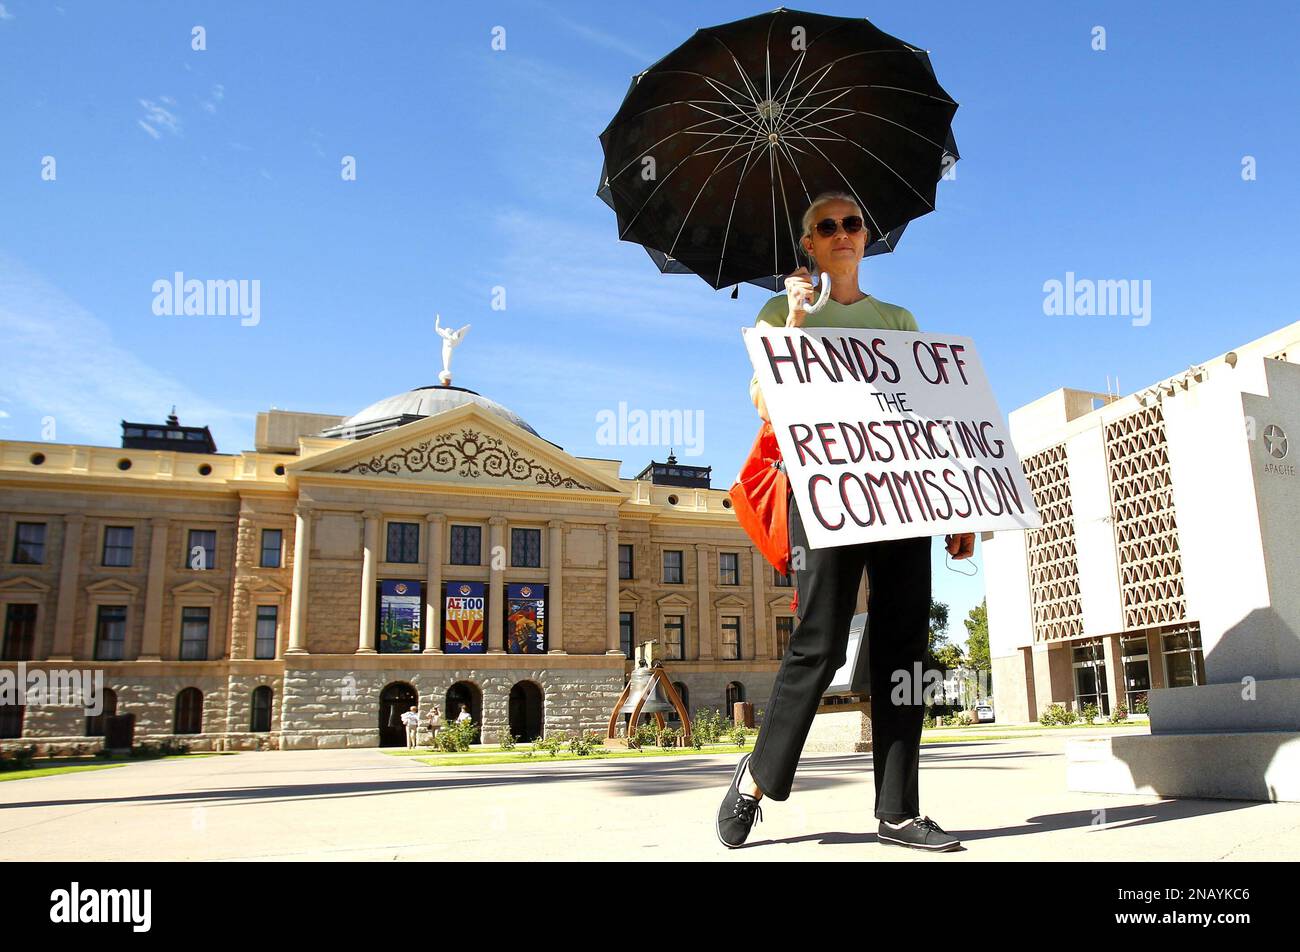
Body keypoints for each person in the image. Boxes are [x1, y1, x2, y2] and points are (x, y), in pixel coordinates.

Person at [716, 191, 975, 854]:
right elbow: (766, 402)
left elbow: (932, 413)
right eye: (826, 226)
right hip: (822, 489)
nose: (842, 232)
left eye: (852, 222)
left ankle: (898, 812)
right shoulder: (784, 311)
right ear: (808, 244)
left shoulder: (898, 317)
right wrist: (798, 324)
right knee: (820, 641)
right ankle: (756, 782)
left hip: (903, 494)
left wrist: (961, 502)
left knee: (901, 649)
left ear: (866, 235)